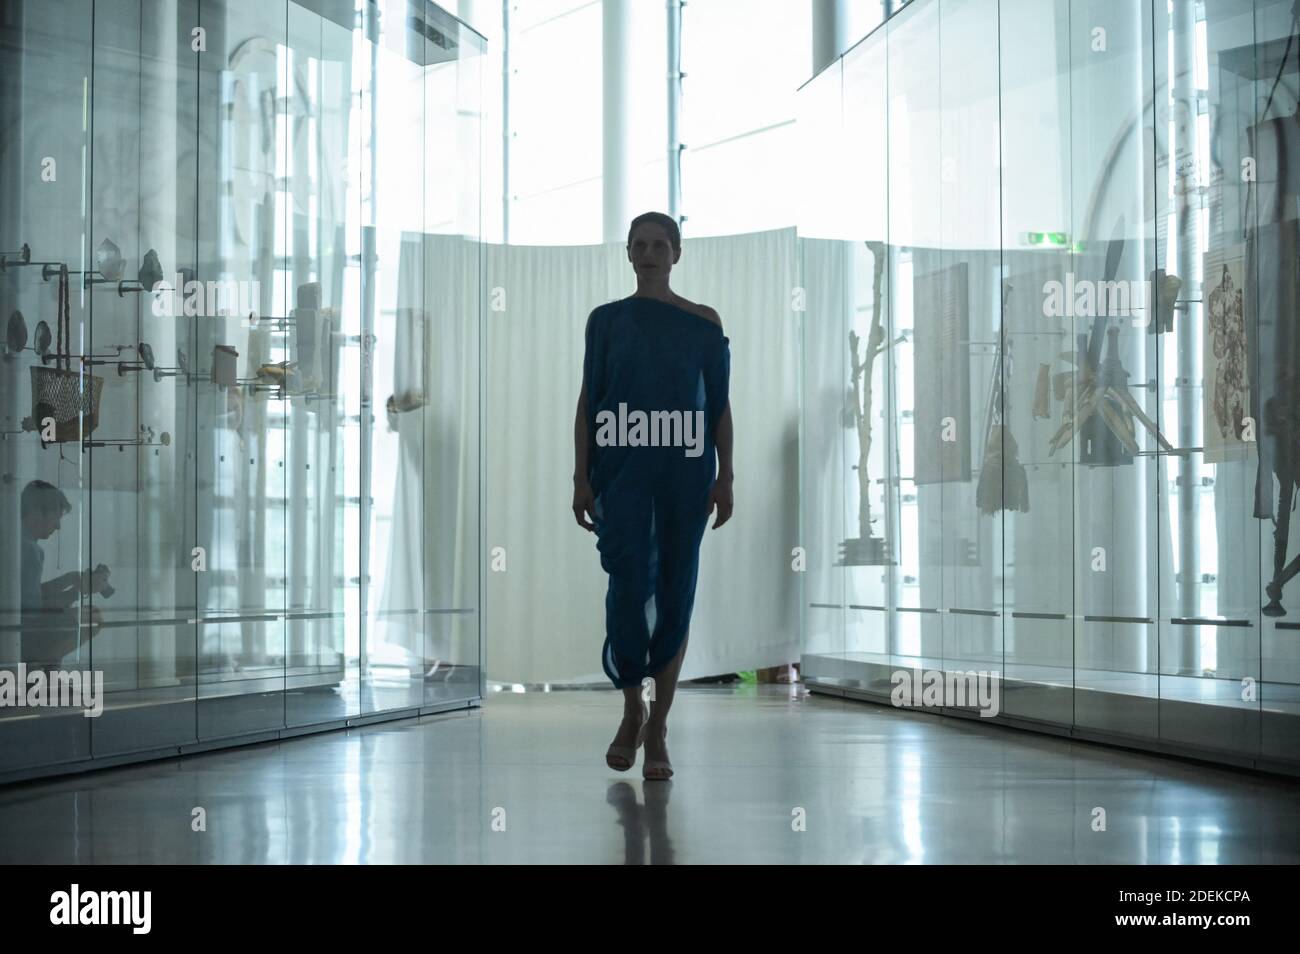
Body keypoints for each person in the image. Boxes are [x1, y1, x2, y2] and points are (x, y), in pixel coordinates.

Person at [572, 211, 734, 780]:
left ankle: (659, 726)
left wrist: (727, 476)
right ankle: (630, 710)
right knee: (627, 589)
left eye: (658, 244)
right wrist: (581, 476)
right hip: (622, 474)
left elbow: (717, 407)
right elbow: (591, 401)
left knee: (674, 591)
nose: (648, 253)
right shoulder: (606, 322)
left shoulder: (703, 323)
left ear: (677, 252)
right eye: (638, 244)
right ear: (628, 253)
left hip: (685, 476)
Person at [19, 479, 107, 666]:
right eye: (56, 517)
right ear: (36, 513)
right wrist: (79, 591)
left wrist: (68, 580)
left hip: (20, 628)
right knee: (93, 618)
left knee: (67, 617)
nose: (58, 526)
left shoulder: (16, 540)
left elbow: (27, 596)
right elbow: (33, 613)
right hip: (21, 637)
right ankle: (35, 672)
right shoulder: (29, 549)